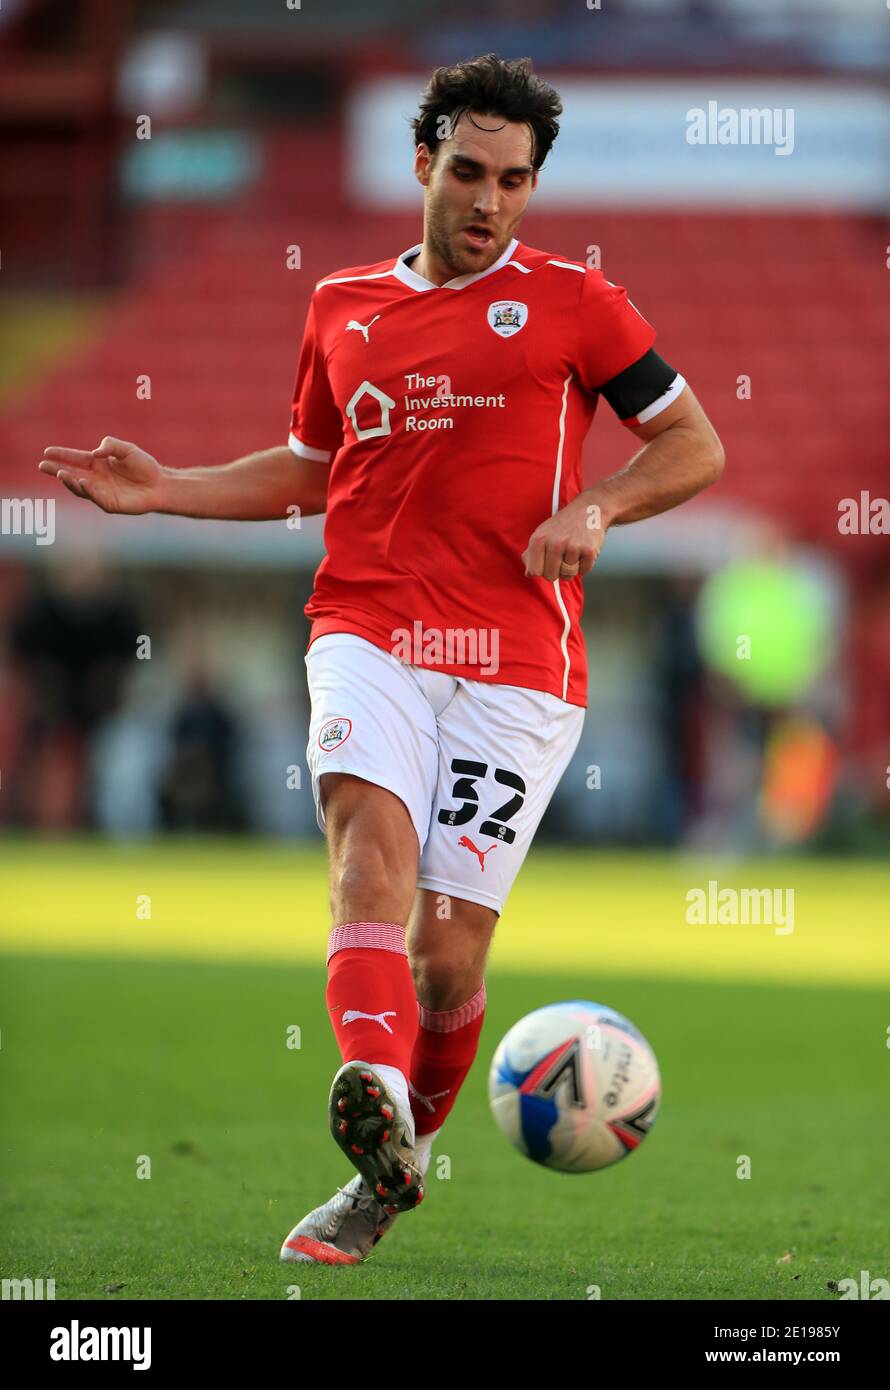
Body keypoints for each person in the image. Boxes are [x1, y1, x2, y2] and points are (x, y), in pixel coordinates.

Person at [39, 53, 724, 1266]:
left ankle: (382, 1180)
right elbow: (313, 468)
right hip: (368, 628)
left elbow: (690, 443)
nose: (487, 201)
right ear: (424, 163)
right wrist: (167, 492)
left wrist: (600, 508)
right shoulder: (340, 306)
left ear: (530, 187)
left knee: (448, 961)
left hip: (516, 662)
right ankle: (370, 1078)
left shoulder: (577, 303)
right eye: (467, 171)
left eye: (513, 181)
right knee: (366, 845)